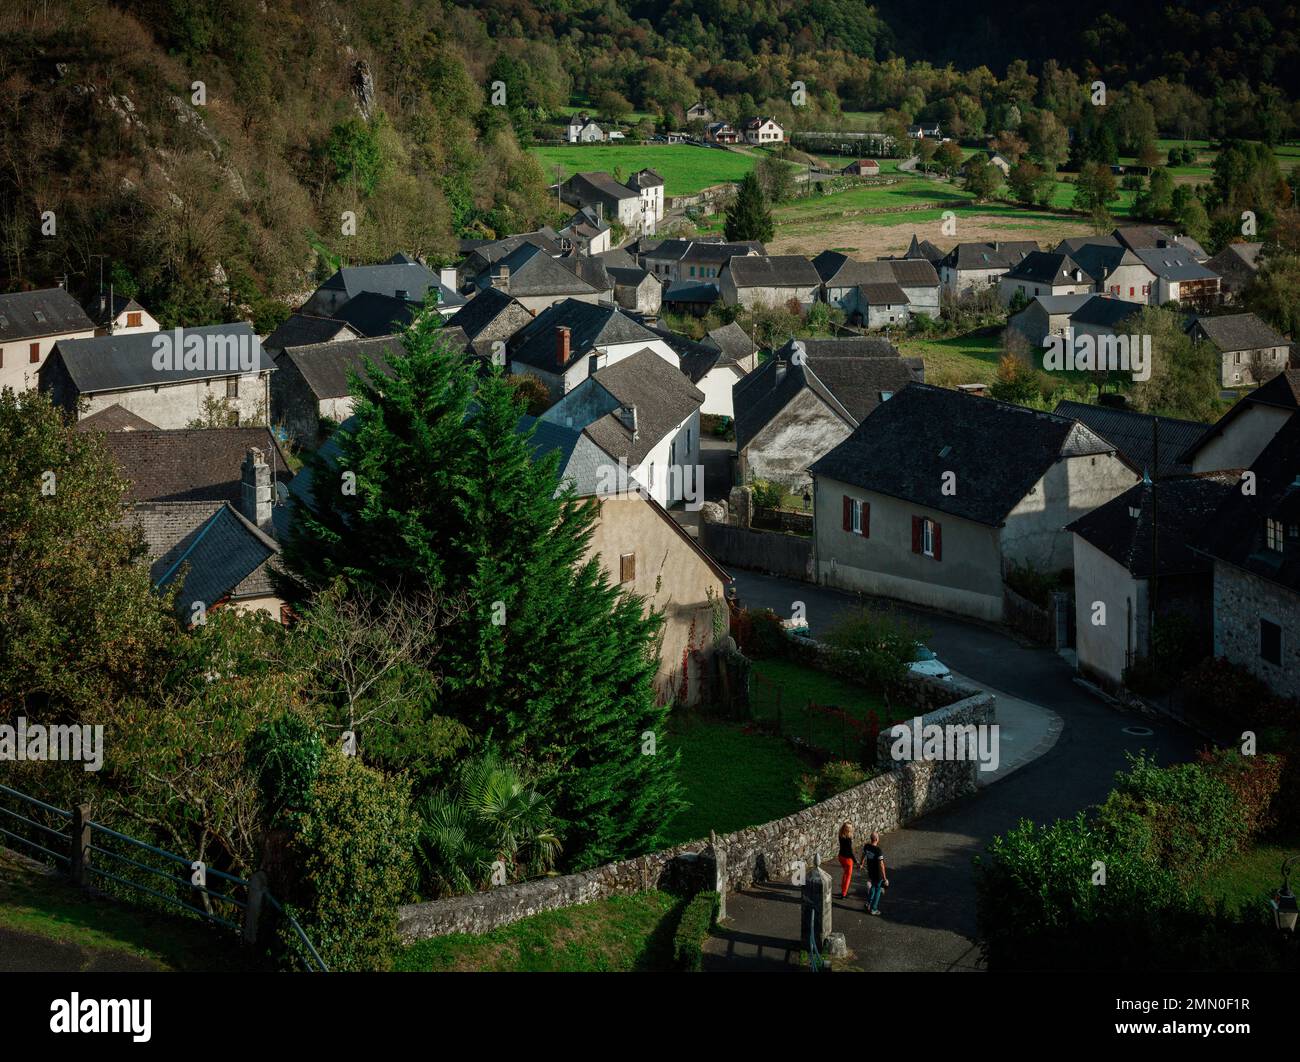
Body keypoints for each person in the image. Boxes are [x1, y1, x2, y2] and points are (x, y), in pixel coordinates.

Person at [861, 831, 889, 915]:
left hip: (871, 872)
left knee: (873, 888)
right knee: (878, 891)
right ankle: (874, 909)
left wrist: (861, 863)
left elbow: (863, 854)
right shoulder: (878, 851)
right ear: (876, 839)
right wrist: (884, 878)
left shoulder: (867, 846)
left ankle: (868, 904)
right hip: (878, 874)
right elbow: (881, 865)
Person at [836, 822, 855, 899]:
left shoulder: (840, 835)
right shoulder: (848, 839)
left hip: (841, 857)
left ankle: (843, 890)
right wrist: (856, 861)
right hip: (847, 860)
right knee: (848, 877)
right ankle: (844, 893)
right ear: (849, 830)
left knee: (845, 873)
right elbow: (850, 852)